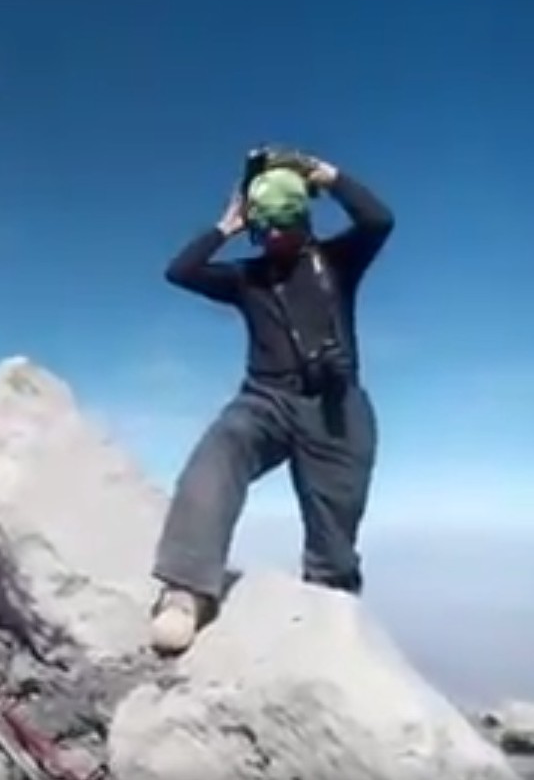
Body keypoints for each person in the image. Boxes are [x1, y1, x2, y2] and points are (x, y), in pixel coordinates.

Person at [148, 148, 395, 656]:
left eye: (279, 229)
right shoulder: (248, 277)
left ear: (302, 220)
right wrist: (227, 225)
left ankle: (329, 621)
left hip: (336, 407)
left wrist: (323, 173)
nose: (272, 240)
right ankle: (185, 591)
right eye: (265, 232)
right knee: (219, 455)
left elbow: (378, 219)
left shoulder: (337, 262)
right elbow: (182, 271)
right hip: (266, 399)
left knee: (335, 538)